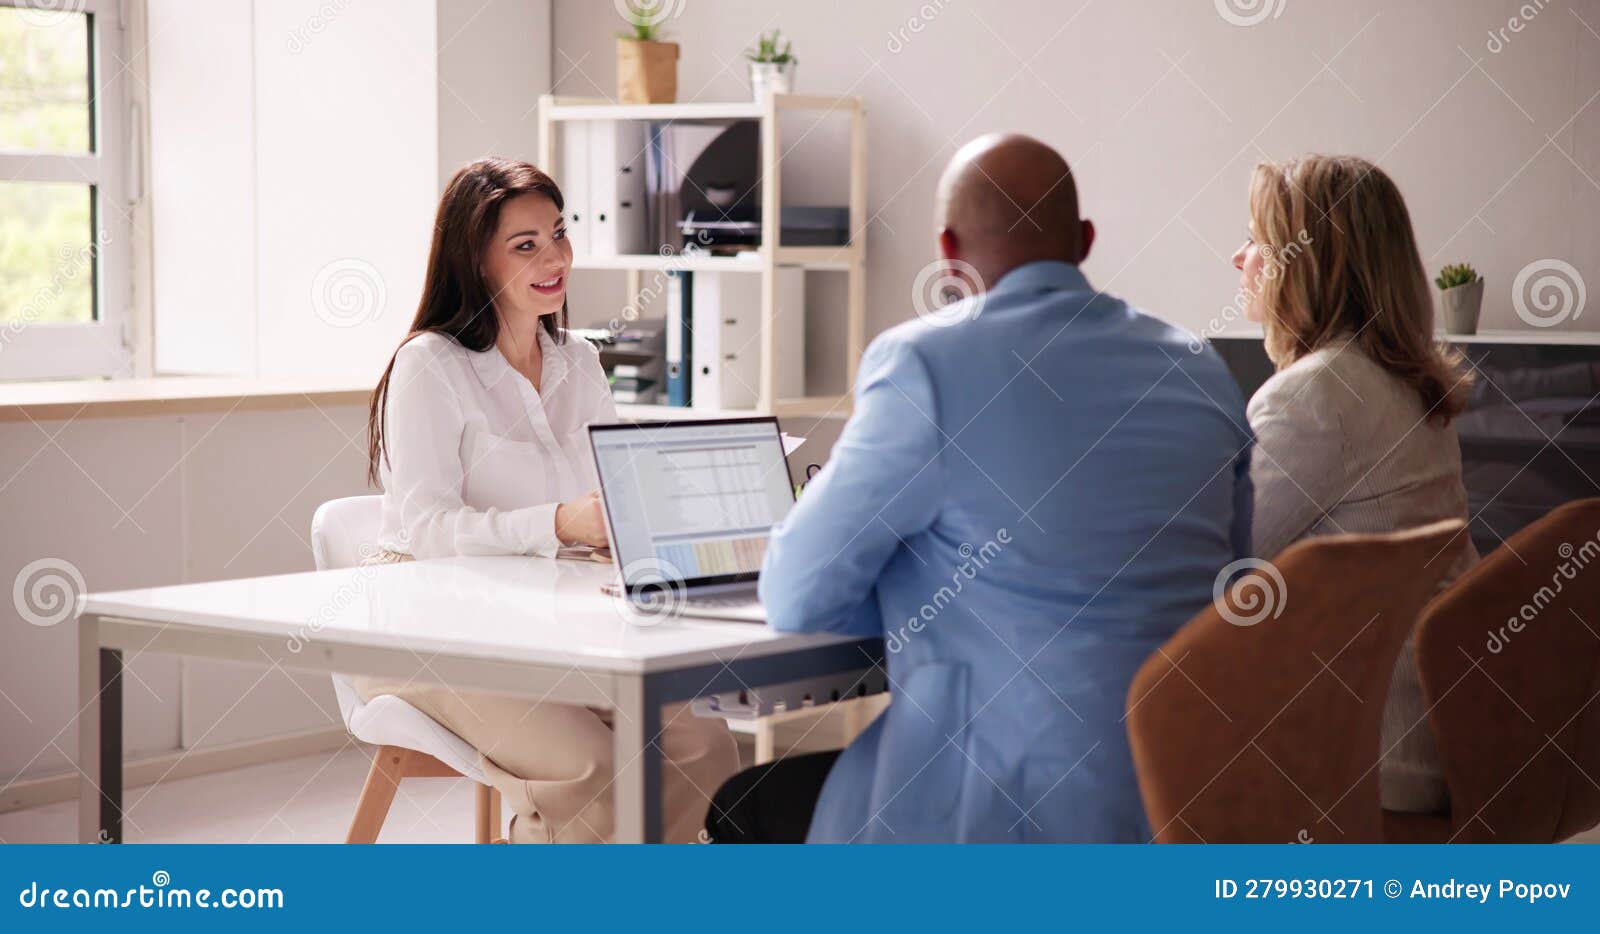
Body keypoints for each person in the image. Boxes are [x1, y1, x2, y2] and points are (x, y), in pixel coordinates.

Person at [705, 134, 1254, 843]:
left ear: (945, 248)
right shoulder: (1200, 367)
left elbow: (795, 591)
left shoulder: (924, 363)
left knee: (742, 806)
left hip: (999, 803)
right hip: (1184, 791)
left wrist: (909, 578)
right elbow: (1236, 576)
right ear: (1084, 241)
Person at [359, 158, 738, 843]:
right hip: (424, 630)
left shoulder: (578, 362)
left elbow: (616, 488)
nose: (555, 256)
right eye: (525, 244)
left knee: (706, 746)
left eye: (558, 234)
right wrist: (561, 522)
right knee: (591, 766)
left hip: (545, 620)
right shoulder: (430, 366)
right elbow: (430, 529)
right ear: (472, 260)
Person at [1231, 154, 1477, 815]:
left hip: (1372, 764)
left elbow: (1208, 558)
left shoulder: (1314, 396)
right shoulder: (1401, 378)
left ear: (1302, 263)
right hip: (1447, 739)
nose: (1238, 258)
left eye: (1255, 239)